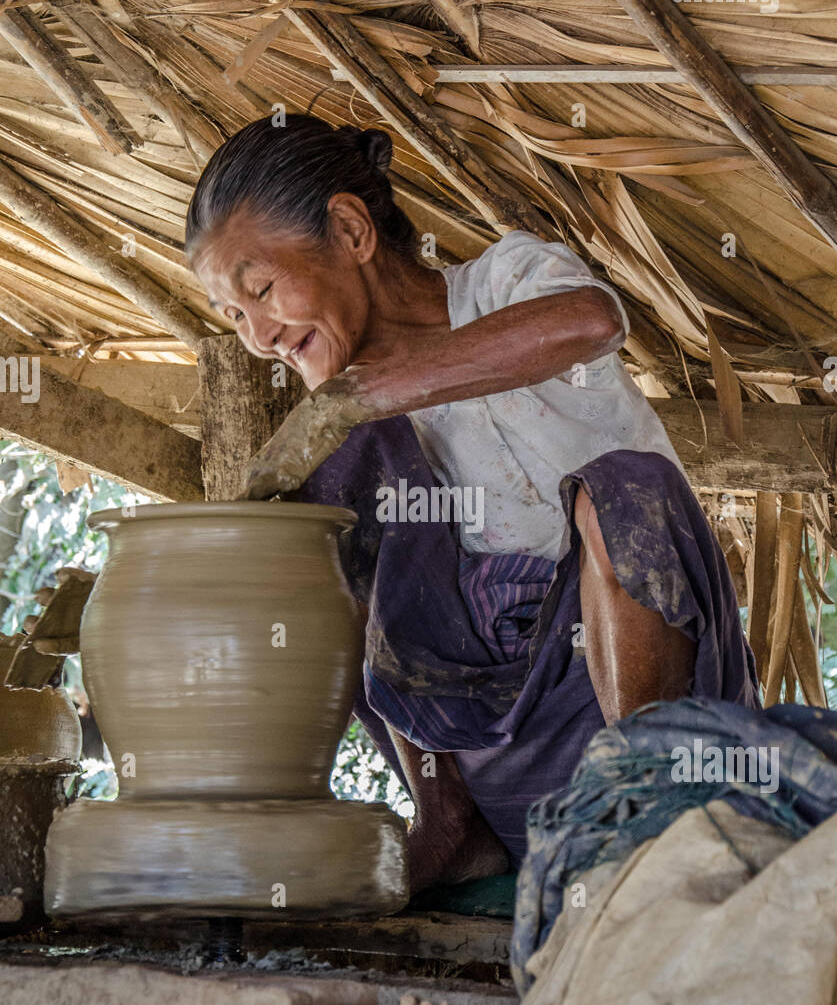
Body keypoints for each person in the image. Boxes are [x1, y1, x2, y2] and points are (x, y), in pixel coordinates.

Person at [186, 114, 759, 892]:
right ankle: (448, 819)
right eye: (234, 315)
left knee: (628, 487)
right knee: (319, 518)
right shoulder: (357, 441)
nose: (259, 335)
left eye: (260, 290)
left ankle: (637, 805)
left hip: (643, 715)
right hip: (497, 754)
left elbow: (592, 320)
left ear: (351, 230)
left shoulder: (505, 282)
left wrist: (369, 391)